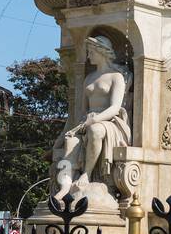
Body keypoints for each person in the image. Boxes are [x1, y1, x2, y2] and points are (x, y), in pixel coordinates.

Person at [52, 35, 131, 200]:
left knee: (95, 131)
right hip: (87, 121)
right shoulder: (89, 77)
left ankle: (86, 174)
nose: (88, 56)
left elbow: (115, 107)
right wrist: (68, 132)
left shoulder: (116, 77)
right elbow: (82, 110)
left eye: (91, 52)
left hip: (110, 122)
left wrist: (94, 120)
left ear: (102, 52)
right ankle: (65, 186)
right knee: (71, 140)